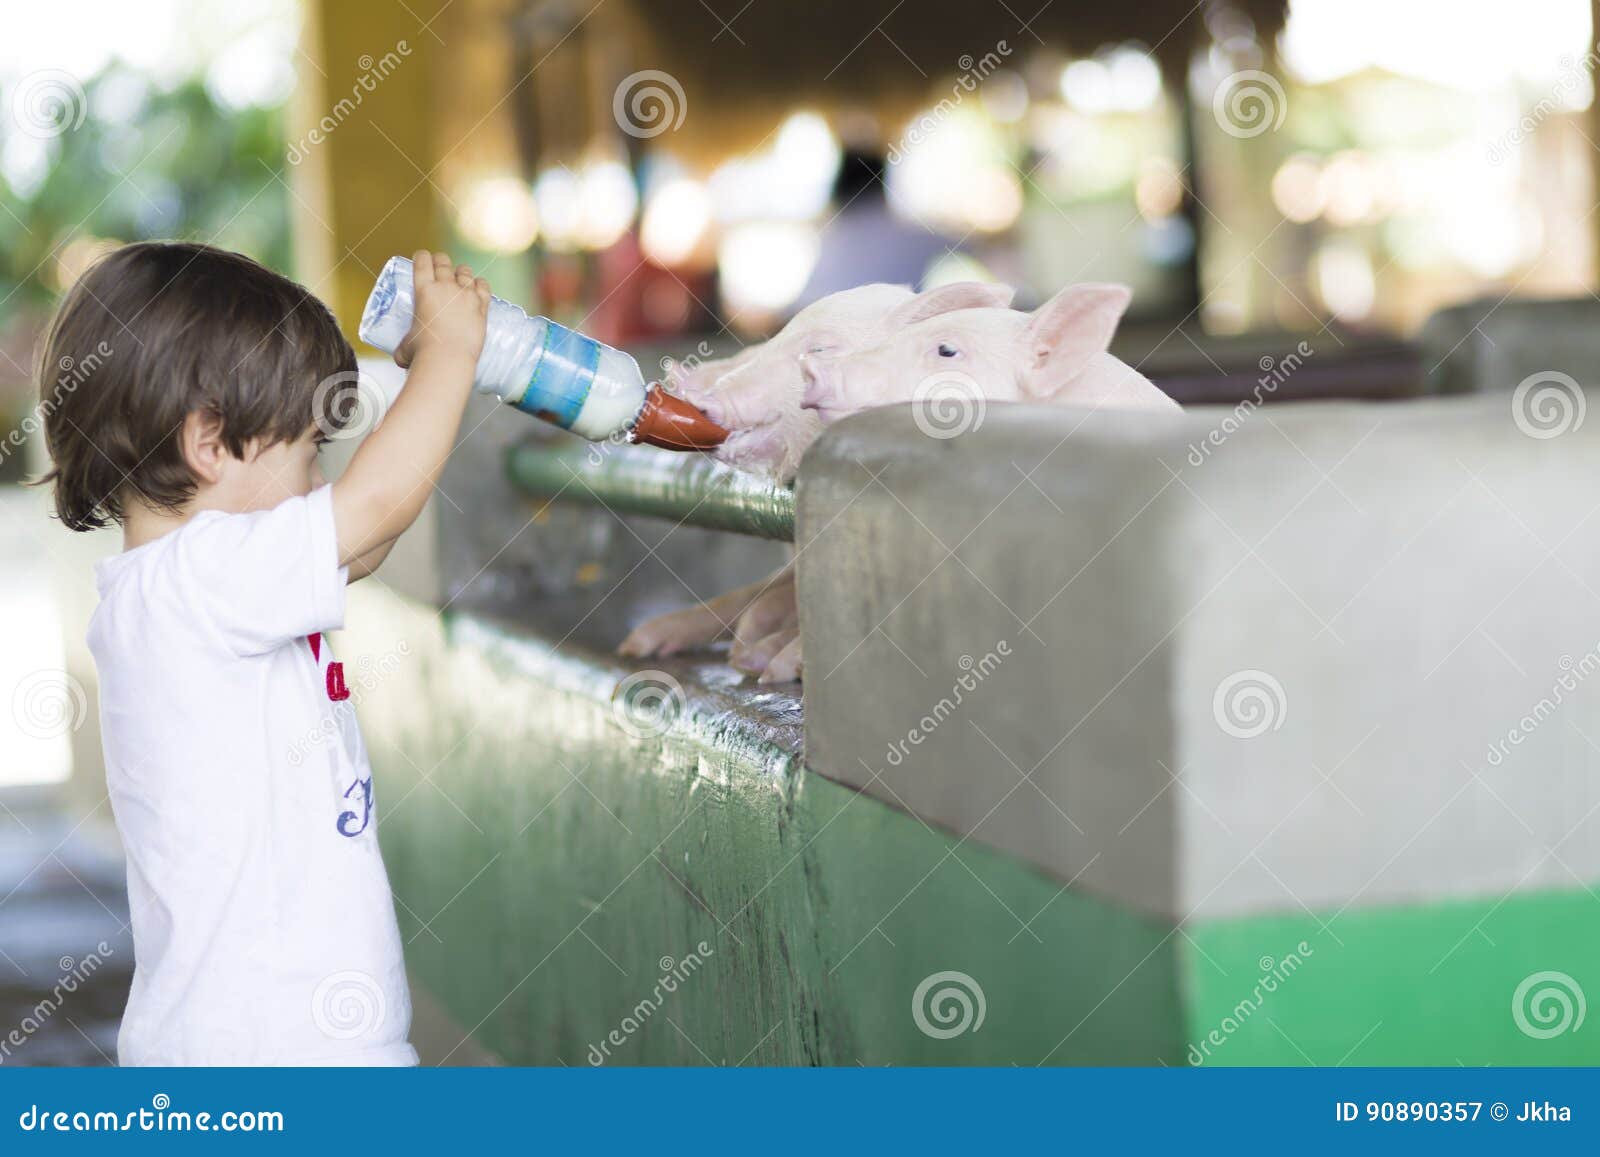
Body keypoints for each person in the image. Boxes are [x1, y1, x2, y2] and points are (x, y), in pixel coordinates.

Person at [38, 243, 488, 1065]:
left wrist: (416, 379)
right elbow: (374, 507)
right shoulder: (198, 582)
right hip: (277, 1055)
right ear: (211, 442)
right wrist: (453, 353)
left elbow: (367, 535)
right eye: (310, 452)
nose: (322, 482)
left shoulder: (195, 586)